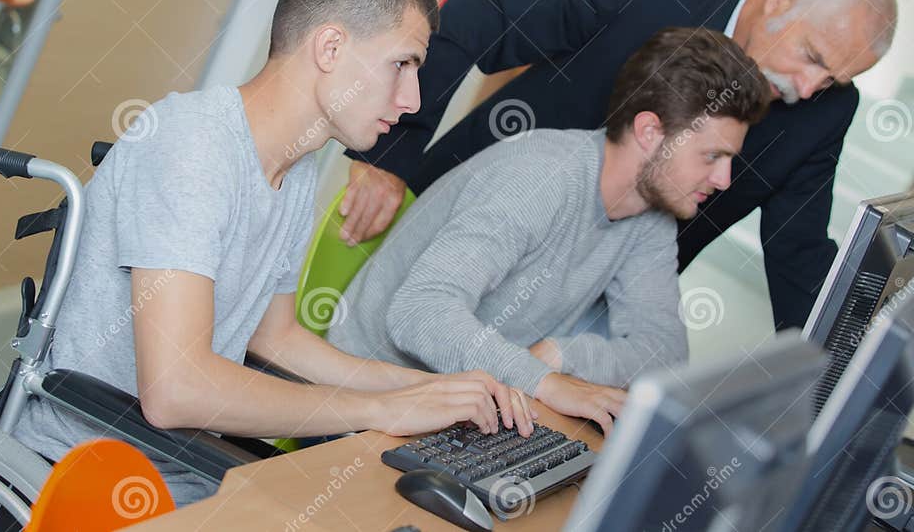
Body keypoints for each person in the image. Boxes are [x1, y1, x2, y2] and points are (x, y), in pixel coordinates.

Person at [12, 0, 539, 508]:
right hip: (80, 471)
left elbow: (275, 336)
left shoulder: (295, 166)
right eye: (402, 64)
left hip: (184, 470)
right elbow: (174, 390)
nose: (413, 99)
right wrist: (383, 409)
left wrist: (421, 386)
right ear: (331, 47)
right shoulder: (194, 147)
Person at [339, 0, 898, 330]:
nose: (807, 87)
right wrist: (392, 154)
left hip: (581, 315)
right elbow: (476, 20)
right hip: (458, 230)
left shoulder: (825, 111)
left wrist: (846, 372)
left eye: (833, 78)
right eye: (811, 57)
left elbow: (798, 253)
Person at [328, 26, 770, 434]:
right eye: (712, 156)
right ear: (651, 132)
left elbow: (665, 356)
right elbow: (419, 313)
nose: (724, 180)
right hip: (367, 403)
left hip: (467, 408)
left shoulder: (651, 214)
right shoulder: (542, 178)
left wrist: (565, 356)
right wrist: (545, 381)